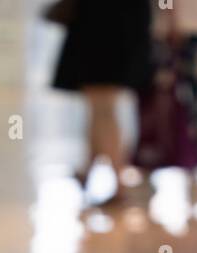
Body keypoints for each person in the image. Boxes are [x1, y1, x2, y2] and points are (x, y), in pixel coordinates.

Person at [50, 0, 152, 206]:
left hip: (104, 25)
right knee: (98, 106)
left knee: (102, 106)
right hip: (112, 23)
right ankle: (88, 170)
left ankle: (118, 184)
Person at [135, 0, 197, 191]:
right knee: (195, 99)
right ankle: (192, 161)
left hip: (186, 27)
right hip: (196, 27)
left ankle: (187, 160)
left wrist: (169, 16)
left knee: (167, 96)